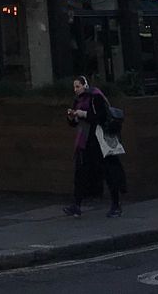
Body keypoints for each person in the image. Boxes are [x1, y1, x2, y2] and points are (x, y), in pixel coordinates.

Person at [63, 74, 127, 218]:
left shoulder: (95, 96)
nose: (76, 89)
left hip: (99, 141)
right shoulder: (77, 100)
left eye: (78, 86)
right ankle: (76, 205)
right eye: (74, 87)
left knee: (108, 172)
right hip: (85, 141)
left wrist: (84, 114)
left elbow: (101, 116)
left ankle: (116, 204)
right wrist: (72, 117)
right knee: (80, 173)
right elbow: (74, 123)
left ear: (85, 85)